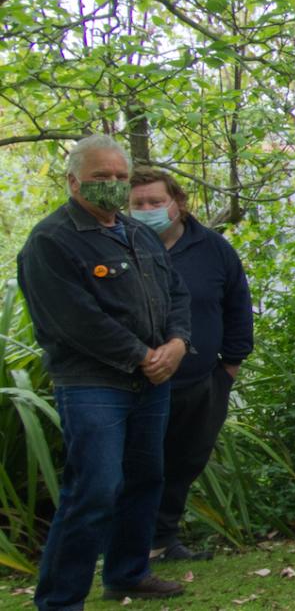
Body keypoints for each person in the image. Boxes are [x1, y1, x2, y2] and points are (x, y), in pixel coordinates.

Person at [22, 135, 192, 608]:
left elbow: (176, 293)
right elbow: (73, 319)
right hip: (92, 384)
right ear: (74, 181)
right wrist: (143, 355)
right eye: (102, 177)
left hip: (152, 380)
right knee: (93, 489)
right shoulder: (51, 241)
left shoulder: (138, 234)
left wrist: (178, 344)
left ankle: (128, 572)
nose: (113, 185)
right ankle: (59, 599)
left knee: (145, 479)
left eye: (121, 176)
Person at [127, 169, 254, 563]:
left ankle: (164, 541)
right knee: (138, 467)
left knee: (185, 463)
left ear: (178, 203)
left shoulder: (213, 248)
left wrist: (228, 369)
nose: (147, 210)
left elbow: (237, 306)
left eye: (155, 202)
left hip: (202, 381)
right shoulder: (119, 248)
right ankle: (129, 550)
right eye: (138, 204)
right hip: (135, 384)